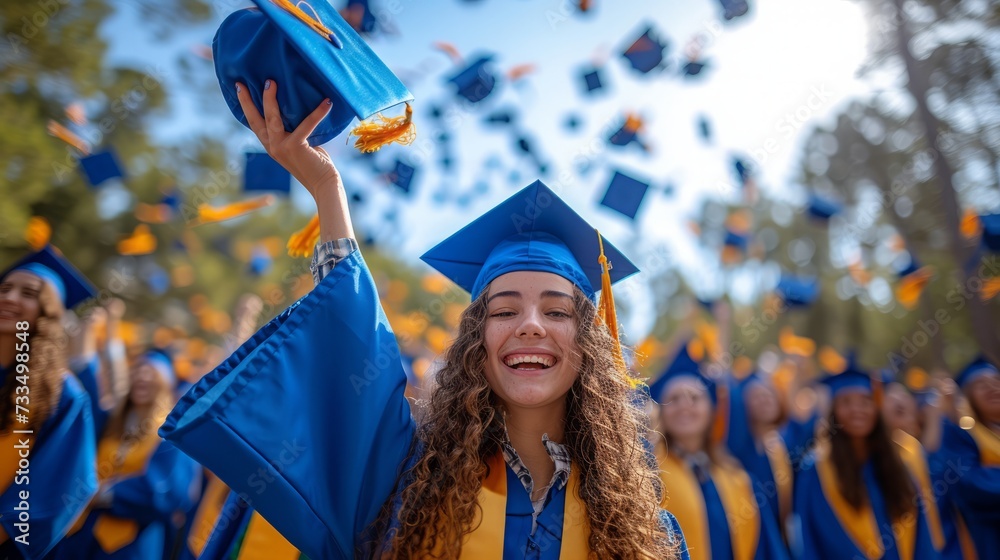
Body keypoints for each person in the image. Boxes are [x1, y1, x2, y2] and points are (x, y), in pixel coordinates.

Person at [158, 78, 687, 558]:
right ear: (476, 340)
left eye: (557, 310)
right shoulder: (408, 483)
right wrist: (326, 191)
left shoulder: (639, 527)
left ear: (589, 344)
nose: (531, 324)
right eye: (504, 310)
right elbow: (355, 348)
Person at [0, 246, 99, 559]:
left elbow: (53, 490)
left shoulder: (64, 395)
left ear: (48, 312)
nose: (10, 298)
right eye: (4, 289)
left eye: (28, 293)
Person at [55, 348, 200, 560]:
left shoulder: (171, 433)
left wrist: (105, 493)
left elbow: (169, 490)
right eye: (137, 371)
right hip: (84, 530)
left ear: (165, 383)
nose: (142, 377)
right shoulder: (114, 422)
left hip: (132, 543)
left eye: (151, 373)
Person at [650, 342, 789, 560]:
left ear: (712, 411)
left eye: (695, 398)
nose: (685, 405)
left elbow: (765, 550)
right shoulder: (646, 476)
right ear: (661, 413)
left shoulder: (737, 478)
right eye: (673, 399)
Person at [791, 358, 938, 560]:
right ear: (833, 412)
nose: (857, 410)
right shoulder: (816, 469)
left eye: (865, 401)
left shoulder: (897, 463)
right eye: (846, 402)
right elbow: (808, 540)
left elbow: (922, 538)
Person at [934, 356, 1000, 559]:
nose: (992, 388)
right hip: (989, 539)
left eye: (996, 381)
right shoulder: (962, 435)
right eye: (980, 385)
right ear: (968, 397)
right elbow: (969, 483)